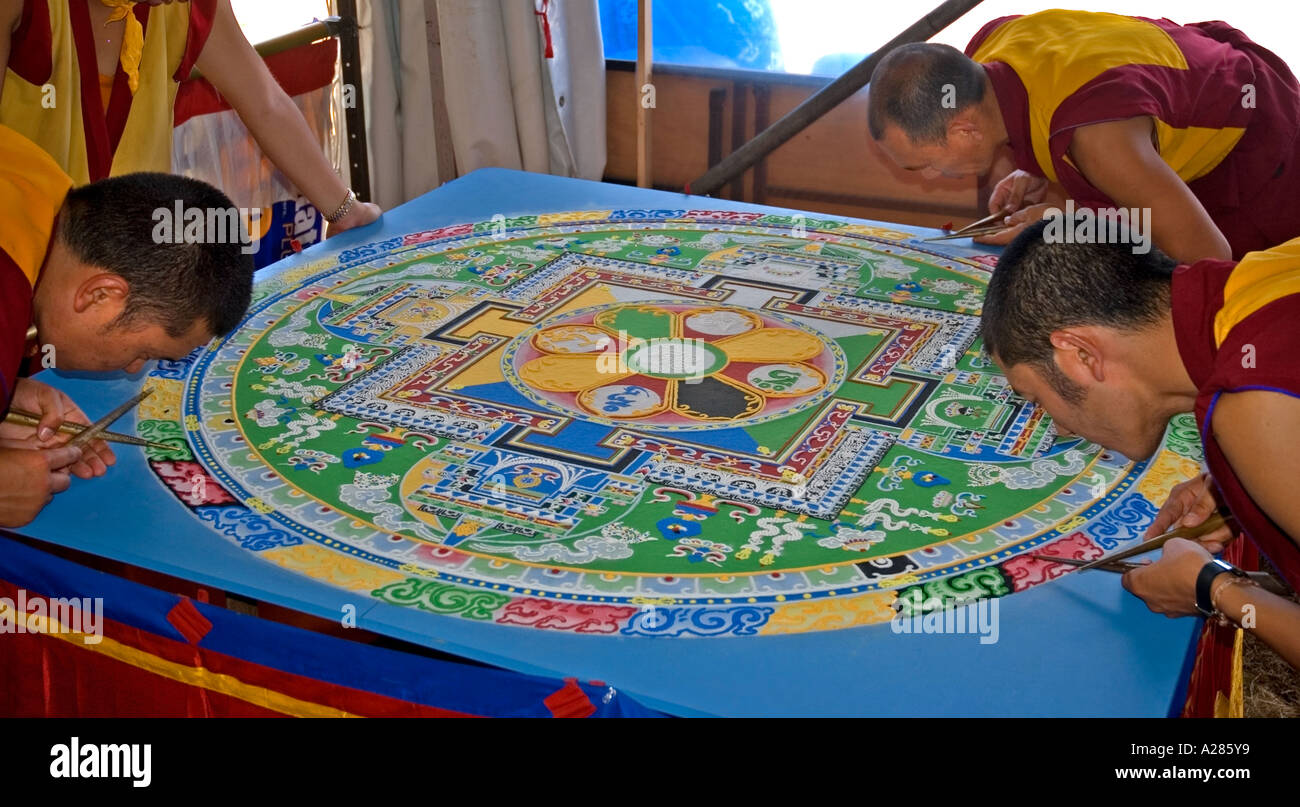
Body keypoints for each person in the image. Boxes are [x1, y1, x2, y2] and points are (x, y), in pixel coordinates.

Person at [979, 218, 1300, 668]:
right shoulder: (1268, 274)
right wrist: (1250, 486)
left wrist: (1217, 590)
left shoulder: (1252, 407)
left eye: (1036, 398)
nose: (1062, 430)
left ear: (1081, 356)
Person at [866, 9, 1300, 263]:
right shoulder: (992, 45)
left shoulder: (1095, 138)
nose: (929, 176)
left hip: (1261, 154)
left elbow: (1206, 252)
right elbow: (1044, 90)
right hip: (1172, 102)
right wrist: (1032, 163)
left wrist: (1070, 225)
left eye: (923, 163)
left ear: (964, 130)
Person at [0, 123, 252, 527]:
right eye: (144, 353)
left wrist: (8, 393)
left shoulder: (37, 182)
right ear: (100, 295)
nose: (134, 370)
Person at [0, 0, 380, 236]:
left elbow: (266, 104)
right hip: (19, 264)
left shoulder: (187, 5)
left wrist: (344, 210)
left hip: (128, 260)